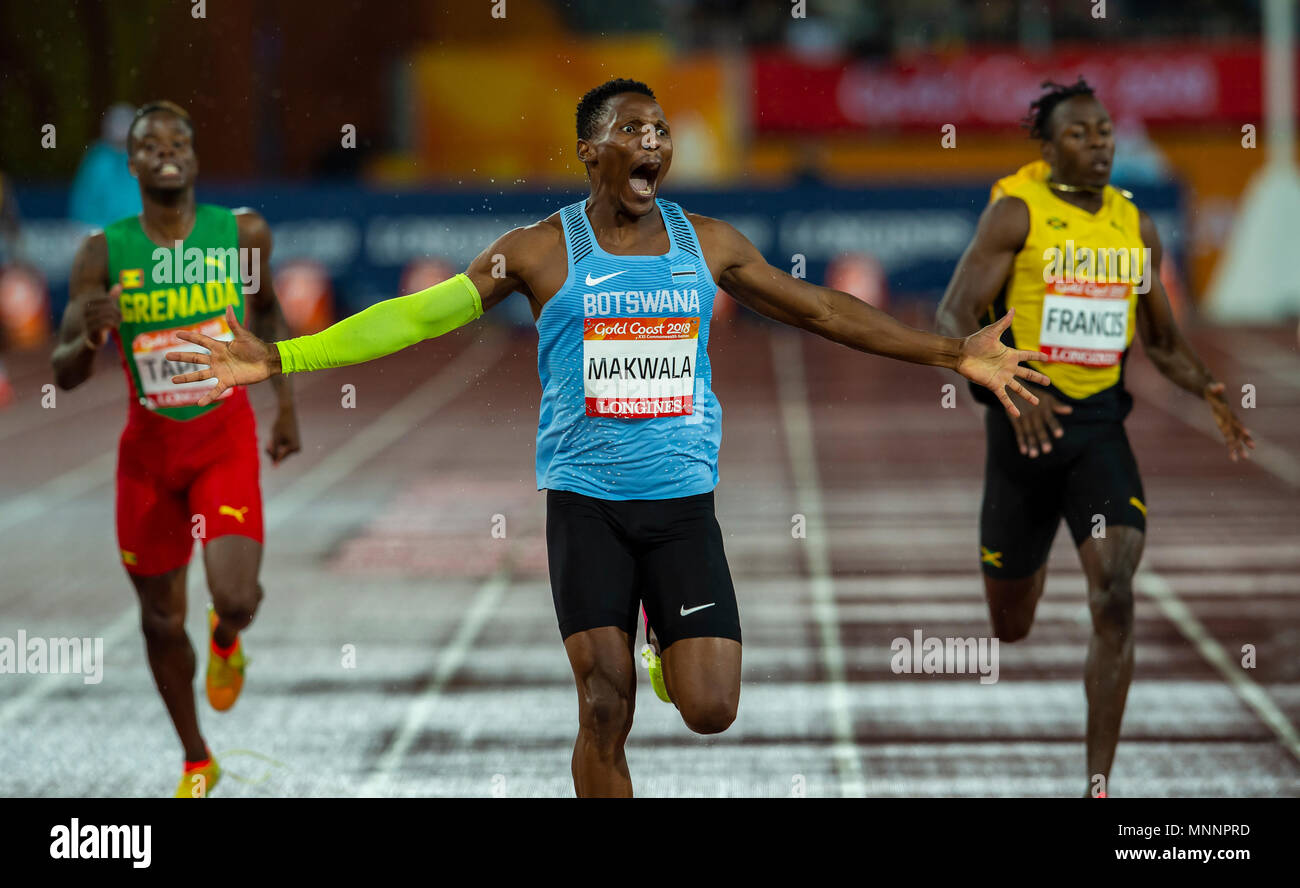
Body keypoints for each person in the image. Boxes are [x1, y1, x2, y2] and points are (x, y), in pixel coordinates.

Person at [169, 78, 1047, 798]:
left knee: (710, 709)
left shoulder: (706, 246)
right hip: (585, 507)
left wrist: (952, 354)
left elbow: (819, 307)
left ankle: (672, 652)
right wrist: (282, 353)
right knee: (602, 703)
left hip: (680, 508)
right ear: (592, 150)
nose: (656, 144)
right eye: (635, 130)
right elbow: (417, 317)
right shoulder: (544, 251)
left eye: (662, 131)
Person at [935, 79, 1254, 797]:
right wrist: (1003, 393)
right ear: (1047, 150)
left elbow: (1162, 340)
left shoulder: (1134, 228)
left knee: (1114, 592)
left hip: (1100, 431)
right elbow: (951, 316)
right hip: (1024, 426)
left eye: (1105, 131)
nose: (1099, 143)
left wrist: (1204, 385)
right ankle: (1034, 552)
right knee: (1010, 623)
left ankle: (1098, 784)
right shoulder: (1016, 215)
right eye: (1079, 134)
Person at [51, 101, 301, 797]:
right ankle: (198, 758)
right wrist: (84, 336)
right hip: (149, 456)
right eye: (150, 143)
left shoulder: (240, 233)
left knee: (237, 595)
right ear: (128, 164)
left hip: (222, 439)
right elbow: (62, 374)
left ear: (193, 156)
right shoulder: (102, 252)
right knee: (160, 618)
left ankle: (228, 639)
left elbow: (269, 314)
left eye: (179, 140)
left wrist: (285, 406)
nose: (167, 150)